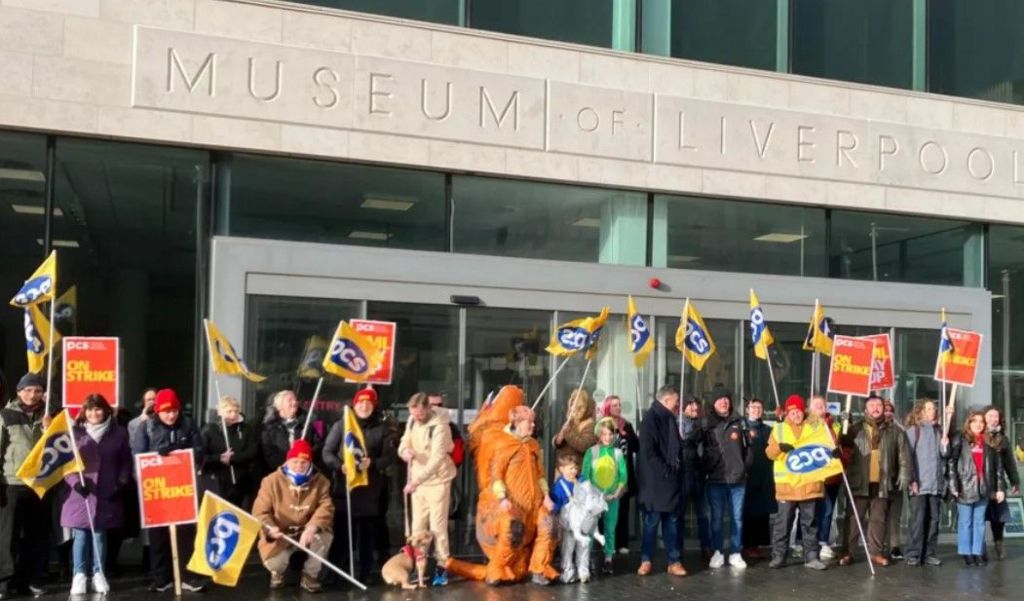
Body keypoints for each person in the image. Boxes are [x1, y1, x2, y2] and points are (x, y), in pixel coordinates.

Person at [444, 389, 559, 586]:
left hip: (534, 506)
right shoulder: (503, 444)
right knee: (512, 526)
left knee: (550, 523)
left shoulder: (532, 445)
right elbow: (496, 476)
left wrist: (546, 496)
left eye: (532, 421)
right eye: (528, 422)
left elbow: (540, 474)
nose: (532, 425)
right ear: (516, 423)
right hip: (511, 506)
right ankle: (498, 566)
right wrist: (503, 499)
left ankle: (539, 566)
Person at [129, 388, 206, 592]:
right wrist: (157, 455)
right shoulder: (146, 428)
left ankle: (188, 576)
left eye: (174, 411)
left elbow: (199, 451)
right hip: (157, 490)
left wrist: (181, 454)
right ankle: (162, 578)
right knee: (158, 536)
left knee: (186, 533)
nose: (170, 415)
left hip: (182, 488)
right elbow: (138, 456)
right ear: (157, 411)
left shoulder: (188, 425)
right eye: (166, 411)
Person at [322, 387, 397, 584]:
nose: (364, 406)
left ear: (374, 406)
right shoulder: (341, 425)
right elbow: (327, 452)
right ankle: (337, 571)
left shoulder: (382, 429)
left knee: (366, 534)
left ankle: (365, 572)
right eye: (360, 403)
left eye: (368, 403)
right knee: (342, 533)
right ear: (354, 405)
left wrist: (373, 463)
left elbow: (389, 457)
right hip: (345, 488)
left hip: (369, 490)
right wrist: (340, 466)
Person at [62, 394, 132, 595]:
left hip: (107, 490)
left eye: (98, 409)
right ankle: (79, 575)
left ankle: (98, 573)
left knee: (100, 534)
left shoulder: (118, 433)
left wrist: (122, 480)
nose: (94, 413)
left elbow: (126, 460)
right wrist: (75, 483)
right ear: (84, 411)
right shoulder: (74, 432)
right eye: (90, 409)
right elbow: (66, 463)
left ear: (106, 410)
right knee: (81, 534)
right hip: (82, 492)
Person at [837, 394, 912, 567]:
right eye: (872, 405)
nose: (876, 408)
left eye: (879, 405)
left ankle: (876, 553)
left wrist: (904, 475)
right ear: (865, 409)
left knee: (878, 519)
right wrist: (844, 423)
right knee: (854, 519)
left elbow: (904, 456)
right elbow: (843, 442)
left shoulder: (895, 431)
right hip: (859, 482)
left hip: (883, 482)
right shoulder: (855, 428)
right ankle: (848, 552)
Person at [253, 439, 334, 592]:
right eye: (295, 462)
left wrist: (312, 528)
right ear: (287, 461)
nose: (299, 466)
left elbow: (326, 507)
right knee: (275, 563)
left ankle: (310, 576)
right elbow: (260, 512)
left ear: (309, 463)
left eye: (303, 462)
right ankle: (277, 573)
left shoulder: (321, 481)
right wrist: (270, 528)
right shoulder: (271, 481)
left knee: (325, 537)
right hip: (280, 533)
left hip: (306, 531)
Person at [0, 374, 51, 599]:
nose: (33, 395)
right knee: (7, 536)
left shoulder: (49, 415)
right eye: (28, 390)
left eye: (38, 390)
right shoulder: (5, 414)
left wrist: (50, 427)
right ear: (19, 392)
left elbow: (61, 446)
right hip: (12, 482)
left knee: (36, 535)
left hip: (40, 484)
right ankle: (5, 580)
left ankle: (30, 579)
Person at [398, 392, 456, 587]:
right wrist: (404, 451)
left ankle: (441, 568)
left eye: (420, 414)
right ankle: (419, 567)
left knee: (437, 527)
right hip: (417, 481)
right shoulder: (412, 420)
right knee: (417, 527)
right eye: (413, 414)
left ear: (428, 409)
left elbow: (437, 459)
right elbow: (405, 440)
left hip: (438, 481)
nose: (416, 417)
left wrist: (417, 480)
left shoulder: (441, 426)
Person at [765, 394, 828, 570]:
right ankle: (779, 556)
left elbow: (828, 443)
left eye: (798, 411)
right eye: (792, 412)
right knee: (783, 523)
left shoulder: (816, 426)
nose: (795, 415)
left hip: (809, 484)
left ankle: (811, 557)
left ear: (803, 411)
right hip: (788, 486)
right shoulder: (778, 429)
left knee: (810, 523)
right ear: (787, 412)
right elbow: (769, 453)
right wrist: (779, 447)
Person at [636, 385, 686, 577]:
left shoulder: (670, 419)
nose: (677, 405)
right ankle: (646, 559)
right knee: (651, 523)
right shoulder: (650, 420)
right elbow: (648, 452)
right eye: (675, 401)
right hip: (655, 483)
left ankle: (674, 561)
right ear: (666, 401)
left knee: (672, 523)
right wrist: (666, 470)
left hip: (671, 481)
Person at [948, 410, 1004, 566]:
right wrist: (954, 485)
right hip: (965, 486)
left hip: (983, 487)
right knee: (966, 522)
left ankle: (977, 551)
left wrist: (1000, 489)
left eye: (981, 421)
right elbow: (951, 461)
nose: (978, 424)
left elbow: (998, 467)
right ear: (969, 423)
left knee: (979, 522)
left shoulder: (989, 441)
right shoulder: (961, 439)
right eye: (975, 421)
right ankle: (966, 553)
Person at [702, 387, 750, 569]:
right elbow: (701, 450)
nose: (723, 402)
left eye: (726, 399)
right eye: (719, 399)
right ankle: (717, 552)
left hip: (738, 481)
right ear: (714, 404)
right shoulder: (707, 424)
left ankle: (736, 553)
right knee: (716, 518)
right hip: (716, 480)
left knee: (737, 518)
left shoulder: (739, 421)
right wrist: (708, 466)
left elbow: (749, 449)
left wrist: (744, 467)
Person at [903, 399, 946, 567]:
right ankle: (913, 553)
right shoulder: (914, 431)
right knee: (918, 520)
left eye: (934, 408)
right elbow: (907, 457)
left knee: (934, 520)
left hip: (935, 484)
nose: (932, 411)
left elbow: (944, 456)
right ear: (920, 411)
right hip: (919, 484)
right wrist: (912, 479)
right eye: (928, 409)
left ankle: (929, 553)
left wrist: (945, 443)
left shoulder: (939, 432)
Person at [582, 417, 628, 575]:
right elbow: (585, 476)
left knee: (610, 529)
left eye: (610, 434)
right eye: (604, 434)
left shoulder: (617, 453)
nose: (608, 437)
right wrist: (594, 496)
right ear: (598, 435)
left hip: (612, 499)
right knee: (589, 529)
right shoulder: (591, 452)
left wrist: (616, 493)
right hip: (595, 500)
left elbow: (623, 476)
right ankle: (584, 560)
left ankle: (608, 559)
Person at [200, 396, 258, 508]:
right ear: (220, 412)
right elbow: (201, 456)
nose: (233, 415)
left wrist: (232, 458)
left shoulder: (246, 429)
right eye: (229, 411)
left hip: (241, 481)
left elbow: (252, 451)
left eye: (236, 411)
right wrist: (219, 458)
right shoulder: (209, 429)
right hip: (217, 481)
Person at [601, 395, 638, 555]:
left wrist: (633, 435)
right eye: (615, 405)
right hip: (607, 475)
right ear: (608, 407)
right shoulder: (602, 425)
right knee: (606, 510)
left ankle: (622, 543)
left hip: (624, 474)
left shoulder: (626, 425)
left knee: (623, 510)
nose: (618, 407)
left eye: (619, 405)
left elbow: (637, 447)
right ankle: (607, 543)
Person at [983, 405, 1020, 560]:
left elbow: (1009, 463)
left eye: (996, 416)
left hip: (998, 483)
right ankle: (979, 548)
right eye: (990, 416)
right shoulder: (977, 435)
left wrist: (1015, 481)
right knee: (979, 517)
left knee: (999, 518)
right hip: (982, 483)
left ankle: (999, 544)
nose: (993, 419)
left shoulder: (1002, 438)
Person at [807, 395, 841, 560]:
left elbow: (839, 442)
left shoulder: (833, 424)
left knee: (827, 510)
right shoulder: (807, 424)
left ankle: (822, 541)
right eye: (816, 405)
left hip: (831, 475)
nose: (820, 408)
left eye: (822, 405)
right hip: (814, 475)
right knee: (812, 510)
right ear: (810, 408)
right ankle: (807, 541)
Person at [741, 398, 775, 560]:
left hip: (764, 474)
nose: (756, 410)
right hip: (748, 475)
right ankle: (748, 544)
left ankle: (758, 544)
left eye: (759, 407)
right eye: (753, 407)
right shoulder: (742, 427)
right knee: (748, 511)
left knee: (762, 512)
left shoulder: (768, 430)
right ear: (747, 409)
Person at [260, 390, 323, 473]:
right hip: (279, 473)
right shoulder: (269, 428)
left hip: (304, 471)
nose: (295, 402)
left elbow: (317, 446)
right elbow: (269, 454)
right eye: (290, 400)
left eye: (295, 400)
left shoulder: (307, 424)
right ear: (279, 406)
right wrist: (290, 464)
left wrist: (304, 458)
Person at [678, 396, 710, 558]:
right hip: (684, 473)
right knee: (680, 513)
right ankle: (678, 546)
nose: (694, 409)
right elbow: (681, 442)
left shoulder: (703, 424)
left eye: (696, 407)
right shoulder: (678, 423)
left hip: (699, 473)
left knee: (702, 513)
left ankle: (706, 545)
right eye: (691, 406)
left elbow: (707, 447)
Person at [882, 399, 908, 560]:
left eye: (890, 410)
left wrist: (904, 474)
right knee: (879, 515)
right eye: (885, 410)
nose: (887, 413)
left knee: (894, 515)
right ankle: (880, 544)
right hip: (879, 480)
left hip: (895, 478)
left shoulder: (900, 430)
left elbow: (904, 455)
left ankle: (894, 545)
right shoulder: (875, 430)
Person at [552, 455, 580, 583]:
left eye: (575, 468)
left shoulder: (580, 480)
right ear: (562, 469)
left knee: (581, 547)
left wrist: (578, 485)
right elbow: (555, 506)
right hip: (567, 524)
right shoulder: (559, 487)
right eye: (571, 468)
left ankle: (582, 571)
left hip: (580, 522)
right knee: (567, 547)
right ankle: (567, 572)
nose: (574, 471)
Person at [553, 389, 598, 468]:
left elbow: (584, 445)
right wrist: (558, 440)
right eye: (573, 406)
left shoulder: (591, 425)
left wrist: (567, 432)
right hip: (564, 468)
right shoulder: (571, 421)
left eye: (580, 408)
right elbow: (559, 442)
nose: (575, 411)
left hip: (578, 469)